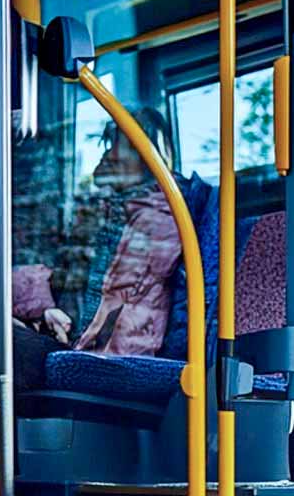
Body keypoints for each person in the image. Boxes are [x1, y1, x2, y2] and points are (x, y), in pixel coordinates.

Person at [12, 107, 185, 390]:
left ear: (147, 156)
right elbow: (68, 278)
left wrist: (72, 344)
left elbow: (119, 301)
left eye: (119, 144)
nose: (108, 155)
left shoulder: (156, 219)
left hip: (108, 358)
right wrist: (45, 311)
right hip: (78, 338)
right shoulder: (114, 211)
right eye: (109, 144)